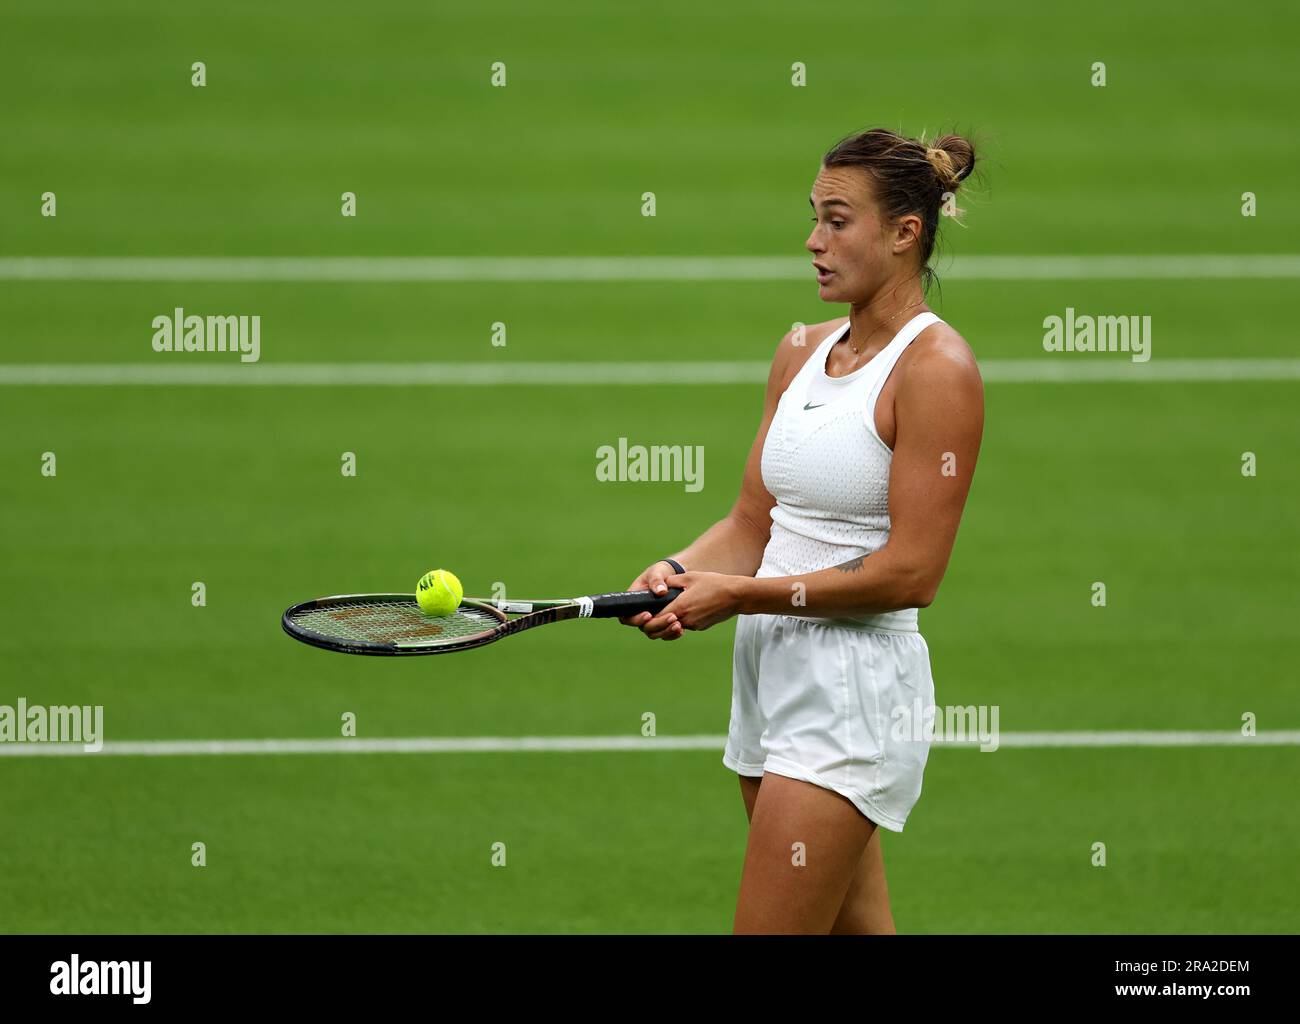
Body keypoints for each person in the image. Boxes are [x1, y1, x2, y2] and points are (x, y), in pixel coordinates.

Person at [621, 128, 985, 934]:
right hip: (772, 673)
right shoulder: (800, 352)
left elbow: (912, 575)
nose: (813, 242)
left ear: (904, 232)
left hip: (853, 694)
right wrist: (681, 569)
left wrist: (739, 595)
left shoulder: (937, 372)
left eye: (837, 220)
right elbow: (753, 522)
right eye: (814, 218)